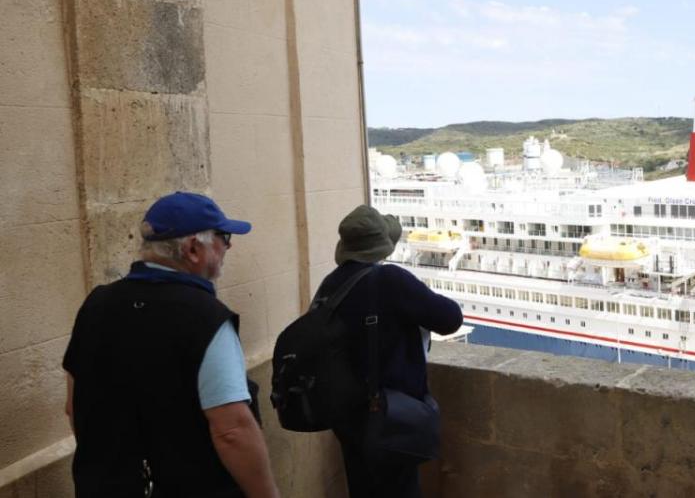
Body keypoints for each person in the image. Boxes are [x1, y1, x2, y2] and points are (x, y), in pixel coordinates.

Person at [63, 192, 279, 498]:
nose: (228, 246)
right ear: (193, 248)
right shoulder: (206, 317)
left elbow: (74, 406)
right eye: (223, 236)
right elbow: (232, 431)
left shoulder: (96, 305)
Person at [316, 205, 463, 498]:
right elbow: (450, 319)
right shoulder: (390, 280)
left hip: (347, 416)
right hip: (389, 414)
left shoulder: (330, 285)